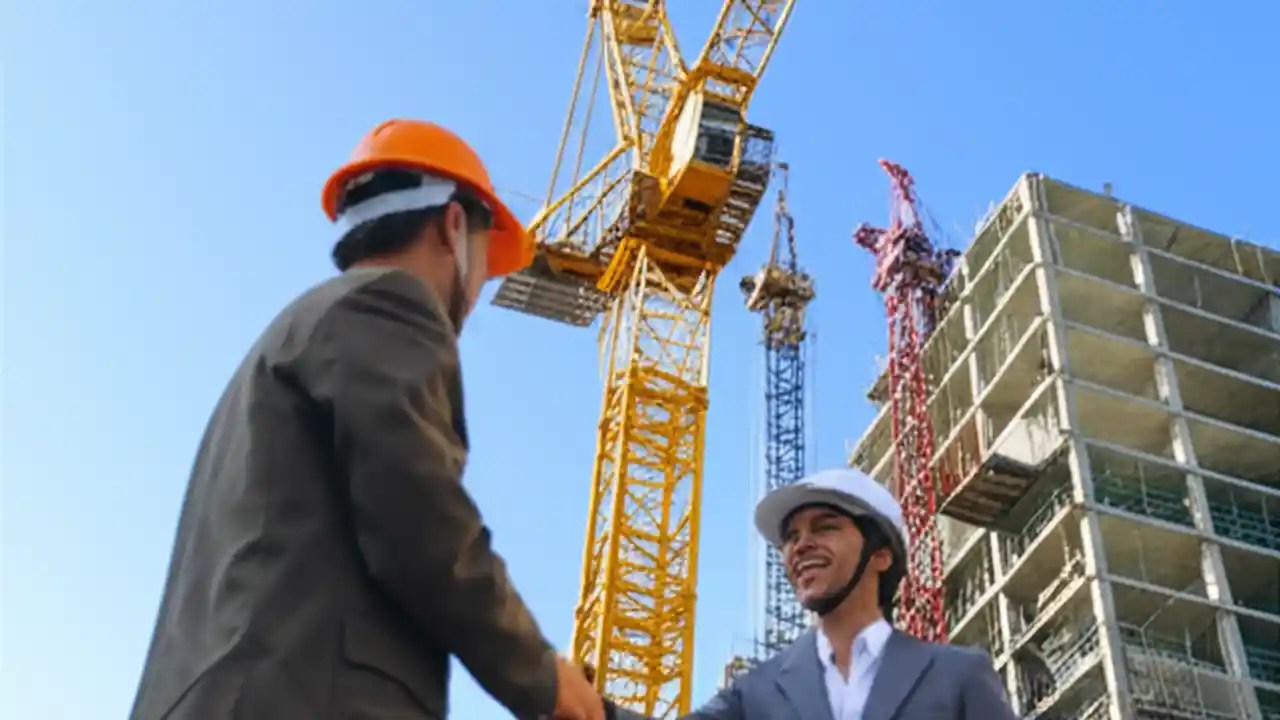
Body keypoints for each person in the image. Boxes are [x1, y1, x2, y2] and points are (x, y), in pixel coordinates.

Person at [129, 119, 604, 720]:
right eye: (485, 259)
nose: (481, 283)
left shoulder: (294, 336)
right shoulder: (391, 304)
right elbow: (419, 517)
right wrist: (543, 677)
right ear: (453, 226)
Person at [601, 468, 1017, 720]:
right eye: (791, 536)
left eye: (825, 527)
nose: (799, 546)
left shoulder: (957, 675)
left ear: (881, 556)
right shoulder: (755, 693)